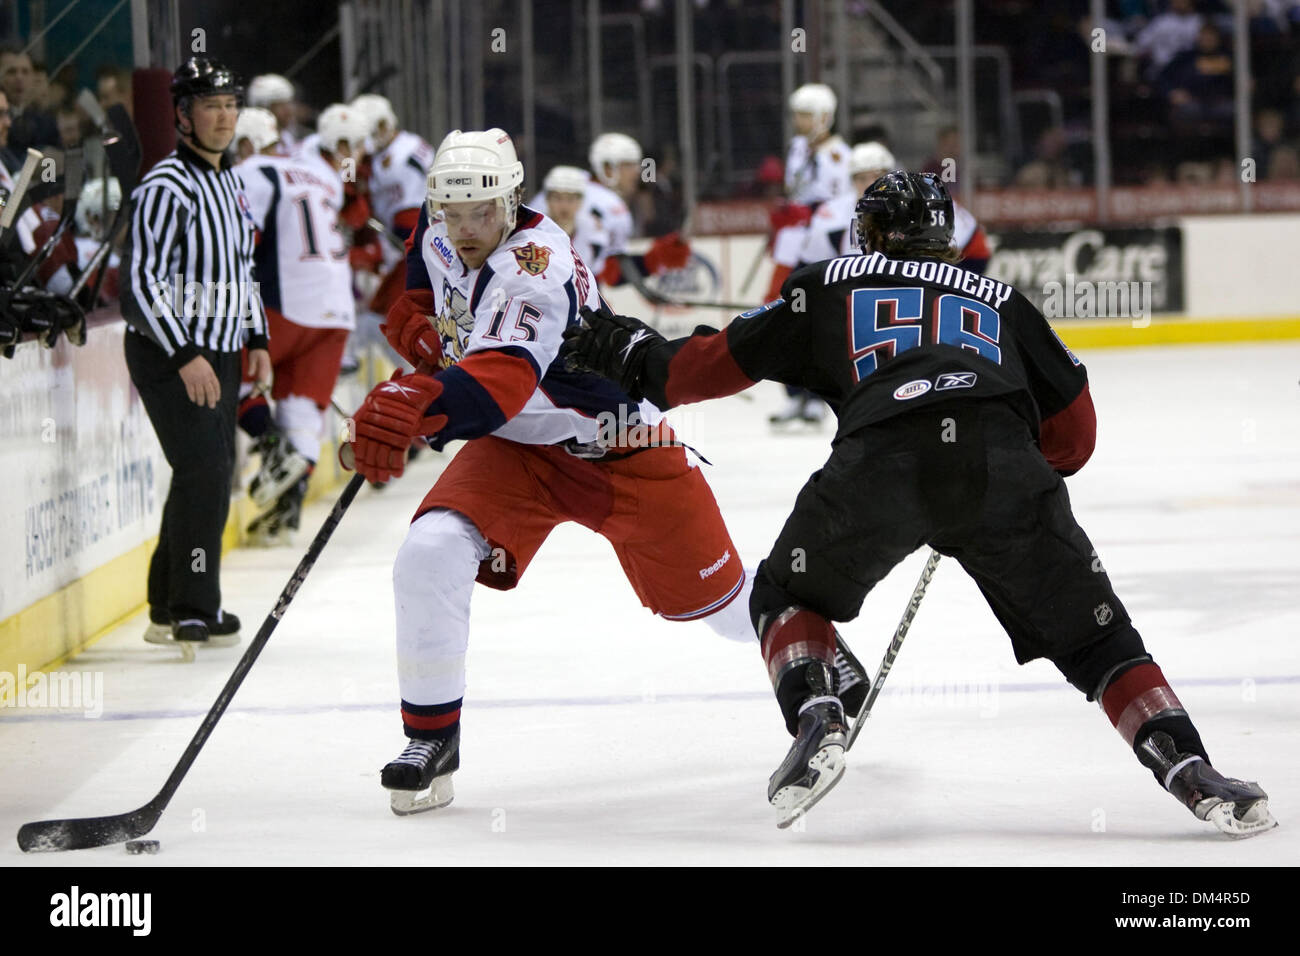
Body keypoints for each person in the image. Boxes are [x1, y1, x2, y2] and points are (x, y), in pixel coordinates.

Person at [563, 171, 1276, 838]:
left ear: (866, 234)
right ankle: (1191, 769)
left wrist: (622, 348)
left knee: (783, 593)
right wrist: (999, 464)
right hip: (1004, 465)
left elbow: (695, 373)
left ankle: (818, 711)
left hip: (883, 459)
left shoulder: (826, 284)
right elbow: (1078, 438)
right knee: (1097, 639)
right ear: (948, 237)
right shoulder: (1002, 300)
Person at [341, 127, 774, 815]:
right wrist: (423, 340)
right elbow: (422, 303)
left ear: (512, 201)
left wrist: (418, 407)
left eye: (481, 212)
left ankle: (810, 646)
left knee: (719, 606)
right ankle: (432, 739)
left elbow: (496, 387)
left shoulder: (536, 262)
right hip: (515, 448)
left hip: (610, 443)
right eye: (451, 213)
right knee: (427, 553)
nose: (464, 229)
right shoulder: (440, 224)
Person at [120, 57, 270, 655]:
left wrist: (255, 338)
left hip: (219, 348)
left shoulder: (228, 182)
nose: (224, 117)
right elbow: (141, 283)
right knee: (205, 468)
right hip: (170, 351)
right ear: (182, 115)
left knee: (205, 470)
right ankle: (191, 606)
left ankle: (168, 602)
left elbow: (241, 269)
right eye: (211, 105)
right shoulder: (166, 186)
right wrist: (185, 352)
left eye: (231, 105)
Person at [234, 103, 364, 545]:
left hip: (285, 304)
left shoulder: (250, 170)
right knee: (305, 413)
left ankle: (272, 449)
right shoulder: (321, 174)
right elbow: (355, 214)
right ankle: (286, 513)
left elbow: (240, 242)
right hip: (336, 311)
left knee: (227, 379)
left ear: (246, 146)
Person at [765, 83, 850, 425]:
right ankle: (792, 394)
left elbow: (844, 207)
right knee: (784, 314)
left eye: (805, 115)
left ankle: (818, 397)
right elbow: (795, 189)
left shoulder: (840, 156)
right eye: (797, 114)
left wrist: (811, 214)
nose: (798, 121)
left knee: (820, 317)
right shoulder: (797, 147)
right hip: (793, 244)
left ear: (824, 117)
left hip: (821, 246)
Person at [532, 161, 690, 291]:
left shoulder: (594, 231)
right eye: (557, 198)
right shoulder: (532, 234)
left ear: (580, 202)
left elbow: (611, 274)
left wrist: (654, 260)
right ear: (547, 200)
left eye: (570, 199)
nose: (564, 206)